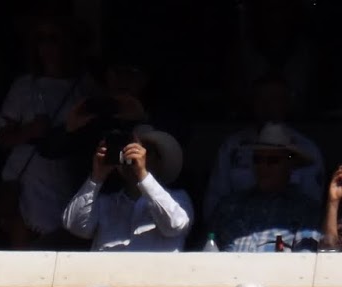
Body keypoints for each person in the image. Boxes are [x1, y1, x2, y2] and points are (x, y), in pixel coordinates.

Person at [0, 16, 95, 247]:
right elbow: (1, 139)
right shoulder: (24, 86)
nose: (46, 46)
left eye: (53, 39)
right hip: (26, 181)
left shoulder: (85, 86)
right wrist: (30, 130)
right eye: (40, 39)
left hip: (65, 179)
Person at [203, 76, 323, 221]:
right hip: (238, 224)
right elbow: (215, 201)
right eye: (261, 99)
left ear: (287, 103)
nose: (267, 106)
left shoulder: (306, 148)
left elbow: (313, 204)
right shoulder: (232, 147)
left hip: (287, 225)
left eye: (274, 99)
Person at [61, 125, 193, 252]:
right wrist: (97, 176)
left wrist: (142, 173)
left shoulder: (177, 198)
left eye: (145, 151)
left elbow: (175, 225)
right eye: (127, 151)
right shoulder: (105, 202)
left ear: (159, 161)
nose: (135, 156)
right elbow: (74, 226)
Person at [206, 123, 322, 252]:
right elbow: (206, 253)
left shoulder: (305, 212)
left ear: (290, 165)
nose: (262, 166)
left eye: (272, 160)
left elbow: (304, 261)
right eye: (257, 159)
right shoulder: (228, 206)